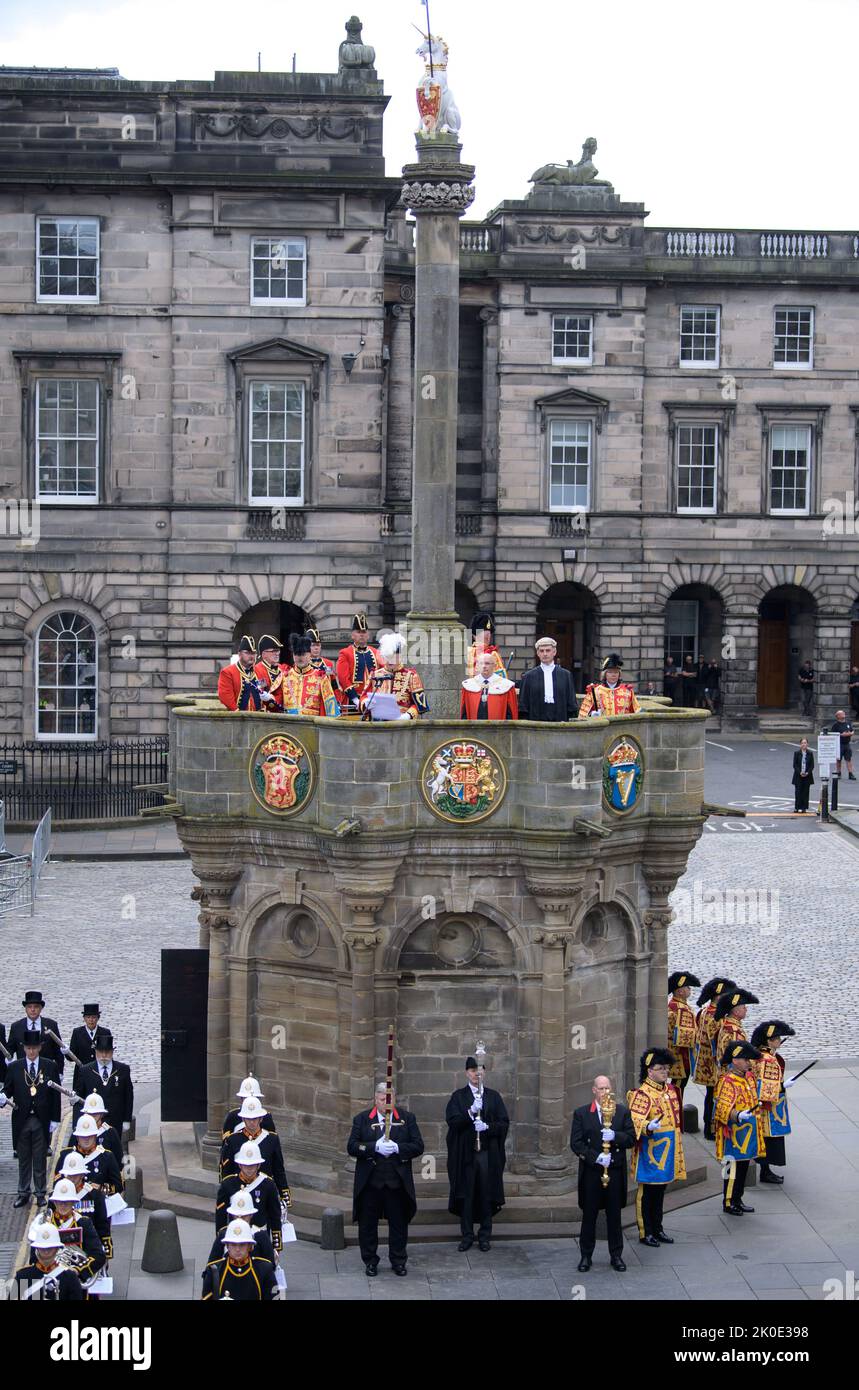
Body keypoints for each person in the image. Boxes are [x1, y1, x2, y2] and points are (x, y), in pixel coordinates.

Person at [347, 1080, 424, 1277]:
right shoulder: (362, 1119)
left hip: (396, 1182)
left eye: (389, 1100)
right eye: (382, 1100)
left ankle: (398, 1260)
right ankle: (370, 1261)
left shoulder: (407, 1118)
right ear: (376, 1099)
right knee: (368, 1225)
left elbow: (418, 1146)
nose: (386, 1104)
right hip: (371, 1182)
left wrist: (399, 1148)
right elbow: (353, 1146)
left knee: (398, 1224)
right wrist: (374, 1147)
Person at [570, 1074, 635, 1272]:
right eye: (601, 1089)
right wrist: (595, 1157)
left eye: (608, 1088)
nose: (605, 1092)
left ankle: (616, 1255)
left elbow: (631, 1138)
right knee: (589, 1215)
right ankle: (586, 1256)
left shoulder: (622, 1112)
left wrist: (616, 1136)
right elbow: (576, 1143)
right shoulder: (582, 1114)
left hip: (614, 1171)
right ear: (594, 1090)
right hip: (592, 1172)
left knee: (614, 1216)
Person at [445, 1055, 509, 1253]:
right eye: (472, 1071)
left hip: (487, 1155)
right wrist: (470, 1113)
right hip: (466, 1155)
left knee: (486, 1193)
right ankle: (467, 1235)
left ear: (484, 1072)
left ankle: (484, 1235)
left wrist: (487, 1127)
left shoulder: (494, 1097)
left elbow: (503, 1123)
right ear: (467, 1073)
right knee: (467, 1193)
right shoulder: (458, 1097)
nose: (476, 1074)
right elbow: (453, 1122)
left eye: (479, 1070)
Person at [627, 1048, 685, 1246]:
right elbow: (634, 1121)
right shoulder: (642, 1094)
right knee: (647, 1193)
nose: (665, 1072)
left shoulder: (669, 1090)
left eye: (666, 1068)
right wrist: (647, 1127)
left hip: (667, 1150)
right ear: (649, 1071)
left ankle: (658, 1228)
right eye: (660, 1068)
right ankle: (646, 1231)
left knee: (660, 1192)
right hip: (650, 1152)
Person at [1, 1033, 60, 1207]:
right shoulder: (15, 1067)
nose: (31, 1051)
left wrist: (55, 1119)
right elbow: (8, 1089)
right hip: (22, 1119)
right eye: (28, 1048)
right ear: (24, 1049)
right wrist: (3, 1096)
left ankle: (40, 1192)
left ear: (40, 1048)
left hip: (41, 1119)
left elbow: (55, 1096)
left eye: (34, 1048)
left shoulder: (50, 1066)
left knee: (40, 1158)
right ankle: (23, 1192)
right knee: (24, 1158)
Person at [714, 1041, 765, 1215]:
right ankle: (728, 1201)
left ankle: (738, 1198)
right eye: (745, 1059)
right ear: (735, 1060)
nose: (748, 1062)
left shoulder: (749, 1076)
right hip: (733, 1134)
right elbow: (721, 1108)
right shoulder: (726, 1081)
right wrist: (736, 1115)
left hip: (748, 1133)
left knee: (743, 1167)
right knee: (731, 1168)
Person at [214, 1140, 282, 1260]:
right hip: (235, 1237)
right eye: (246, 1165)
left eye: (253, 1165)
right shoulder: (228, 1184)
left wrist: (276, 1246)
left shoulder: (268, 1185)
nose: (249, 1168)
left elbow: (274, 1215)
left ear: (259, 1165)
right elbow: (221, 1216)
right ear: (240, 1165)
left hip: (259, 1238)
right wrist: (222, 1239)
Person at [751, 1019, 797, 1186]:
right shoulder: (768, 1060)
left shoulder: (762, 1054)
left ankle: (766, 1170)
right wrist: (783, 1086)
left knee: (766, 1138)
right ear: (769, 1041)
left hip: (764, 1105)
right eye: (776, 1038)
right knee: (768, 1138)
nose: (779, 1040)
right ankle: (765, 1172)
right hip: (769, 1107)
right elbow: (767, 1088)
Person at [220, 1095, 290, 1203]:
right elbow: (227, 1171)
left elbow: (278, 1169)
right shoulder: (233, 1140)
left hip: (265, 1191)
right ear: (243, 1119)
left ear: (261, 1118)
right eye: (248, 1118)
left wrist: (283, 1195)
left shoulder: (272, 1139)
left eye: (255, 1118)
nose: (251, 1122)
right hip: (240, 1194)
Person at [693, 977, 736, 1140]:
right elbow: (716, 1039)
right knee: (713, 1095)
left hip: (706, 1060)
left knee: (711, 1094)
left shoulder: (706, 1010)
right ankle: (710, 1129)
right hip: (712, 1062)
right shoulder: (714, 1015)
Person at [43, 1176, 106, 1282]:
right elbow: (35, 1257)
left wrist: (78, 1270)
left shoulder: (83, 1223)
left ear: (73, 1202)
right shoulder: (45, 1225)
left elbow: (99, 1256)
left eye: (67, 1201)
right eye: (59, 1201)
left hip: (76, 1281)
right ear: (54, 1202)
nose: (63, 1205)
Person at [201, 1218, 280, 1300]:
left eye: (242, 1245)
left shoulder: (265, 1269)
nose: (237, 1249)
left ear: (250, 1246)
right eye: (233, 1245)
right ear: (227, 1246)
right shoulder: (214, 1270)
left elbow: (275, 1297)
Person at [74, 1032, 133, 1139]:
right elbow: (80, 1097)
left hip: (115, 1119)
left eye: (107, 1052)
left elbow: (128, 1096)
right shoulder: (86, 1070)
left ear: (112, 1052)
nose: (104, 1055)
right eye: (101, 1052)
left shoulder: (123, 1069)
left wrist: (127, 1119)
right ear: (96, 1051)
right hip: (93, 1120)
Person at [55, 1150, 111, 1259]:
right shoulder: (56, 1195)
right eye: (69, 1175)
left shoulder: (95, 1195)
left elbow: (102, 1226)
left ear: (82, 1174)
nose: (72, 1178)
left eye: (75, 1175)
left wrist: (105, 1254)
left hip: (89, 1245)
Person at [360, 632, 428, 719]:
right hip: (377, 722)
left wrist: (408, 715)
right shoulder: (375, 675)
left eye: (393, 657)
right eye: (387, 657)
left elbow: (420, 704)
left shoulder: (411, 675)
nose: (390, 660)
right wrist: (366, 703)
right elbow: (363, 697)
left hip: (402, 723)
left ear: (400, 656)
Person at [208, 1185, 277, 1267]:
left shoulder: (261, 1237)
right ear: (232, 1215)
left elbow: (269, 1268)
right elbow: (211, 1267)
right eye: (237, 1215)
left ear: (251, 1215)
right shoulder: (223, 1235)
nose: (240, 1218)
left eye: (244, 1216)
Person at [14, 1221, 85, 1300]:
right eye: (42, 1248)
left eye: (50, 1248)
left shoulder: (69, 1277)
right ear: (37, 1248)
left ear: (57, 1248)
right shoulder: (23, 1276)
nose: (46, 1251)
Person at [7, 989, 66, 1077]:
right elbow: (10, 1049)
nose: (33, 1009)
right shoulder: (16, 1027)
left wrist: (60, 1072)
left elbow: (58, 1052)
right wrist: (9, 1062)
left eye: (36, 1007)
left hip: (46, 1072)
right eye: (29, 1007)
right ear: (25, 1009)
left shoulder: (51, 1025)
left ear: (41, 1008)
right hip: (23, 1073)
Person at [518, 637, 578, 721]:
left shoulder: (565, 675)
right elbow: (523, 706)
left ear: (554, 652)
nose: (545, 654)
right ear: (538, 653)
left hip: (560, 723)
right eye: (542, 651)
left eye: (548, 650)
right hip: (535, 724)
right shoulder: (528, 677)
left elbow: (571, 703)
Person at [282, 634, 339, 717]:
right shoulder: (284, 677)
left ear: (309, 655)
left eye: (303, 654)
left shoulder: (321, 678)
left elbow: (331, 707)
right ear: (293, 656)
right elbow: (274, 705)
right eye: (297, 654)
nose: (300, 658)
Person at [336, 612, 380, 710]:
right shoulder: (345, 653)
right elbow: (343, 679)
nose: (361, 635)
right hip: (352, 701)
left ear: (368, 635)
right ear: (352, 635)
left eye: (364, 632)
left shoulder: (376, 652)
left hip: (374, 699)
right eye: (358, 632)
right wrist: (355, 699)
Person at [578, 653, 641, 719]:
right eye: (610, 672)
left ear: (619, 674)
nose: (613, 675)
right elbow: (582, 716)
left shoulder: (628, 691)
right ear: (605, 674)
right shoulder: (594, 692)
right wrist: (591, 715)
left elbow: (637, 713)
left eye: (616, 672)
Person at [667, 971, 701, 1094]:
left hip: (674, 1052)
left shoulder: (674, 1005)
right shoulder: (681, 1009)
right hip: (681, 1056)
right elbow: (687, 1037)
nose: (689, 990)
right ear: (680, 991)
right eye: (687, 987)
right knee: (678, 1087)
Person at [218, 635, 271, 712]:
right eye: (247, 653)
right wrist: (237, 713)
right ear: (239, 654)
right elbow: (225, 696)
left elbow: (264, 690)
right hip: (238, 718)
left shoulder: (260, 672)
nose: (251, 656)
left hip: (259, 717)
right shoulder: (228, 672)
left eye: (253, 653)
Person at [460, 650, 518, 720]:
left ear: (495, 665)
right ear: (477, 666)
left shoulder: (506, 686)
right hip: (474, 728)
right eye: (481, 663)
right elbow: (464, 712)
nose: (484, 666)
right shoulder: (468, 685)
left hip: (498, 729)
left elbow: (511, 713)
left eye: (487, 663)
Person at [221, 1075, 277, 1142]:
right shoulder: (233, 1116)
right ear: (241, 1099)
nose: (250, 1101)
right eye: (246, 1098)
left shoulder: (266, 1116)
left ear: (258, 1099)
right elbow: (227, 1141)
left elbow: (271, 1141)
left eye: (253, 1098)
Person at [70, 1005, 111, 1094]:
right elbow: (70, 1057)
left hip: (98, 1072)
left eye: (94, 1017)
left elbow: (109, 1053)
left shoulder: (105, 1032)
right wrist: (66, 1052)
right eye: (88, 1017)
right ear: (84, 1019)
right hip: (81, 1073)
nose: (91, 1020)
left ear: (98, 1018)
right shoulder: (77, 1032)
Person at [714, 987, 758, 1070]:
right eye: (744, 1007)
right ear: (736, 1012)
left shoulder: (726, 1024)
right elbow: (739, 1057)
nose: (746, 1009)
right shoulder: (734, 1031)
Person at [78, 1091, 124, 1167]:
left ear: (102, 1114)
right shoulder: (78, 1132)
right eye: (90, 1113)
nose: (92, 1115)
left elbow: (118, 1160)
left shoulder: (110, 1133)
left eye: (96, 1113)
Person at [466, 612, 507, 678]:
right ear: (474, 636)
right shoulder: (493, 654)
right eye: (484, 632)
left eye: (489, 633)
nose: (488, 636)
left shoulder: (466, 652)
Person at [253, 634, 286, 711]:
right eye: (273, 651)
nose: (277, 653)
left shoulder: (282, 668)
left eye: (277, 650)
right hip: (269, 711)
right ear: (264, 654)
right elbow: (261, 692)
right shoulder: (258, 669)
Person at [792, 737, 814, 813]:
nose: (803, 744)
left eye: (805, 743)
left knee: (805, 792)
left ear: (807, 744)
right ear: (800, 744)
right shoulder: (797, 753)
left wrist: (807, 772)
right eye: (802, 743)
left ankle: (804, 807)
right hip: (798, 776)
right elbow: (795, 765)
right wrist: (800, 772)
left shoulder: (810, 753)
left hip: (807, 776)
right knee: (798, 792)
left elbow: (812, 765)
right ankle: (797, 807)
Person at [831, 710, 856, 779]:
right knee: (838, 759)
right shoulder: (835, 725)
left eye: (844, 713)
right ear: (838, 716)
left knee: (848, 759)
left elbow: (852, 730)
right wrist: (842, 735)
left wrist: (851, 733)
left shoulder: (848, 723)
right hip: (839, 744)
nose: (844, 714)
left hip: (847, 744)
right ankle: (839, 773)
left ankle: (850, 774)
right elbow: (832, 734)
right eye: (842, 713)